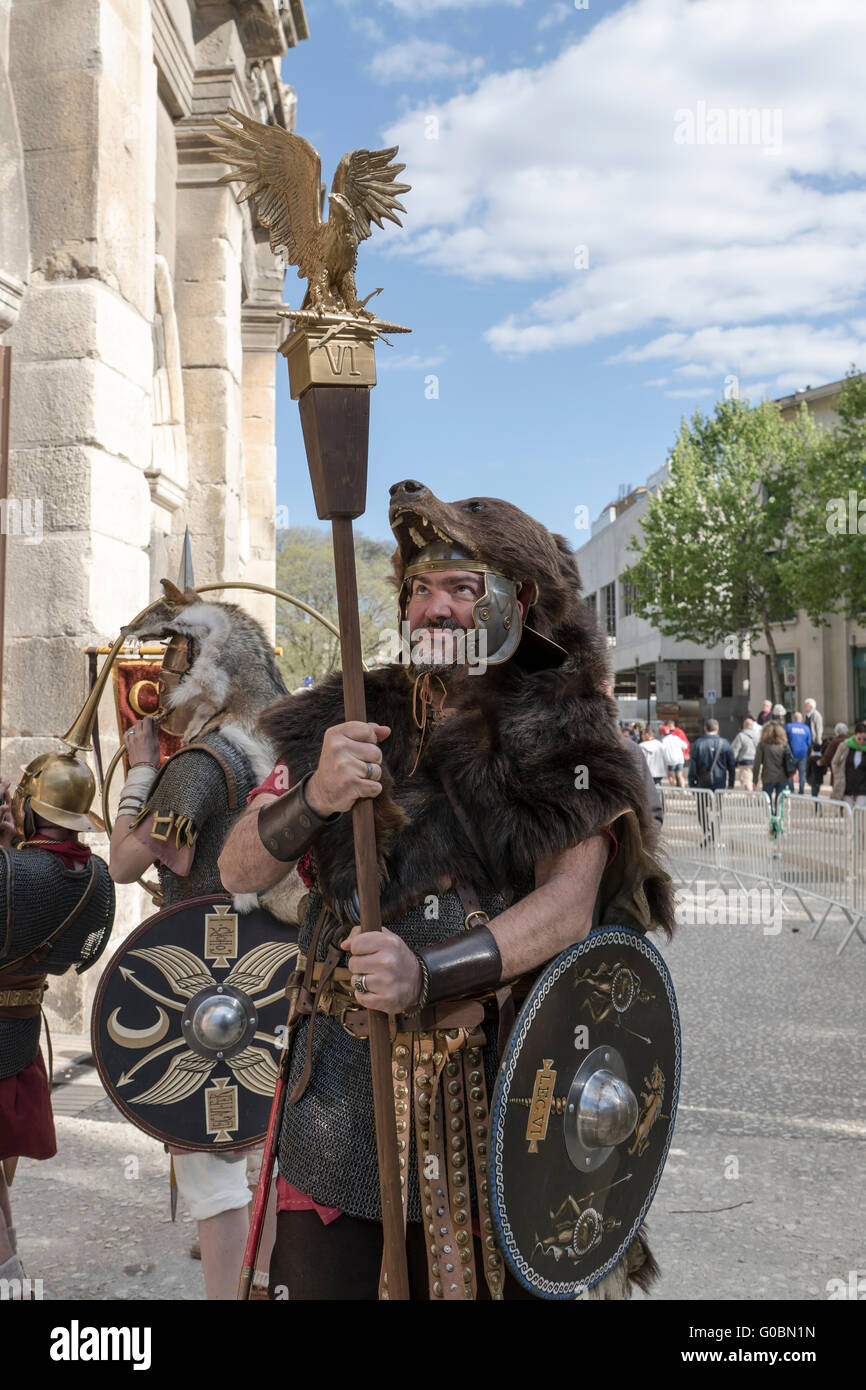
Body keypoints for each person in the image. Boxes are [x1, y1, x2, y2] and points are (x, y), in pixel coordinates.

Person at [219, 478, 675, 1302]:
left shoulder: (566, 731)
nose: (435, 609)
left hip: (494, 1093)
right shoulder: (345, 712)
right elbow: (237, 870)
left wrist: (425, 975)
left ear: (516, 600)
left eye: (462, 588)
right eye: (420, 588)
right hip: (341, 1093)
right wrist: (314, 796)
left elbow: (568, 908)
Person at [108, 582, 299, 1301]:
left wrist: (141, 771)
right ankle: (265, 1288)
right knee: (263, 1148)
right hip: (269, 968)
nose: (162, 681)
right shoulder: (264, 750)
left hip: (210, 980)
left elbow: (128, 863)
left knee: (213, 1164)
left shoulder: (200, 764)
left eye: (174, 662)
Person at [0, 755, 115, 1293]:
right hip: (22, 1034)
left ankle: (7, 1272)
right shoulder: (97, 878)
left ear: (30, 807)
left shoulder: (11, 871)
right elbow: (78, 957)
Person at [752, 719, 794, 812]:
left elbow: (757, 764)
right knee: (780, 802)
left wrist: (755, 780)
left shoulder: (762, 745)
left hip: (768, 776)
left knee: (767, 802)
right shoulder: (784, 745)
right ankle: (778, 822)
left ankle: (771, 821)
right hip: (782, 777)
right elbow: (790, 760)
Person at [688, 718, 735, 792]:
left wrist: (692, 784)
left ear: (705, 728)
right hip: (720, 782)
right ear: (718, 728)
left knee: (702, 803)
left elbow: (692, 766)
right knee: (718, 803)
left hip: (702, 783)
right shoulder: (725, 743)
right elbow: (731, 765)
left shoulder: (698, 743)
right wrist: (731, 783)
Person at [830, 722, 866, 808]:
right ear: (855, 735)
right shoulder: (844, 746)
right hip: (847, 787)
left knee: (859, 812)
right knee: (849, 815)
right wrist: (838, 775)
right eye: (859, 738)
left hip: (863, 788)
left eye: (865, 739)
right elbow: (834, 762)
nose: (862, 741)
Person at [785, 711, 812, 796]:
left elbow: (785, 740)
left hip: (791, 754)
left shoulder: (788, 727)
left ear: (793, 719)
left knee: (790, 773)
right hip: (802, 754)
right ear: (801, 719)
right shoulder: (806, 728)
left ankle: (791, 789)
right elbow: (809, 742)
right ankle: (801, 790)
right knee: (802, 773)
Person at [820, 723, 849, 798]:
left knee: (839, 793)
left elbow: (828, 756)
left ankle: (842, 808)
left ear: (837, 732)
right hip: (850, 771)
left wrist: (820, 762)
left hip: (838, 772)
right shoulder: (850, 740)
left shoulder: (834, 741)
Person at [730, 716, 760, 790]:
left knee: (747, 782)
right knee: (756, 782)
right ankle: (758, 798)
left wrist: (732, 761)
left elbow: (734, 750)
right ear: (752, 726)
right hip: (757, 762)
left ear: (744, 726)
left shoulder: (741, 736)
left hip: (745, 763)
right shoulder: (758, 735)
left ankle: (750, 799)